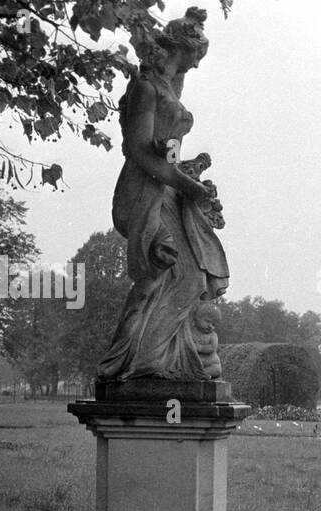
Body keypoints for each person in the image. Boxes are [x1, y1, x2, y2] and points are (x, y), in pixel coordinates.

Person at [99, 6, 229, 382]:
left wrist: (190, 173)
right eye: (196, 57)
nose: (197, 66)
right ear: (181, 49)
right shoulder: (146, 88)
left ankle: (150, 362)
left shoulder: (169, 88)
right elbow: (140, 152)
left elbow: (163, 151)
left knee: (182, 278)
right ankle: (140, 365)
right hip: (142, 193)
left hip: (166, 189)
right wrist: (190, 186)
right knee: (168, 277)